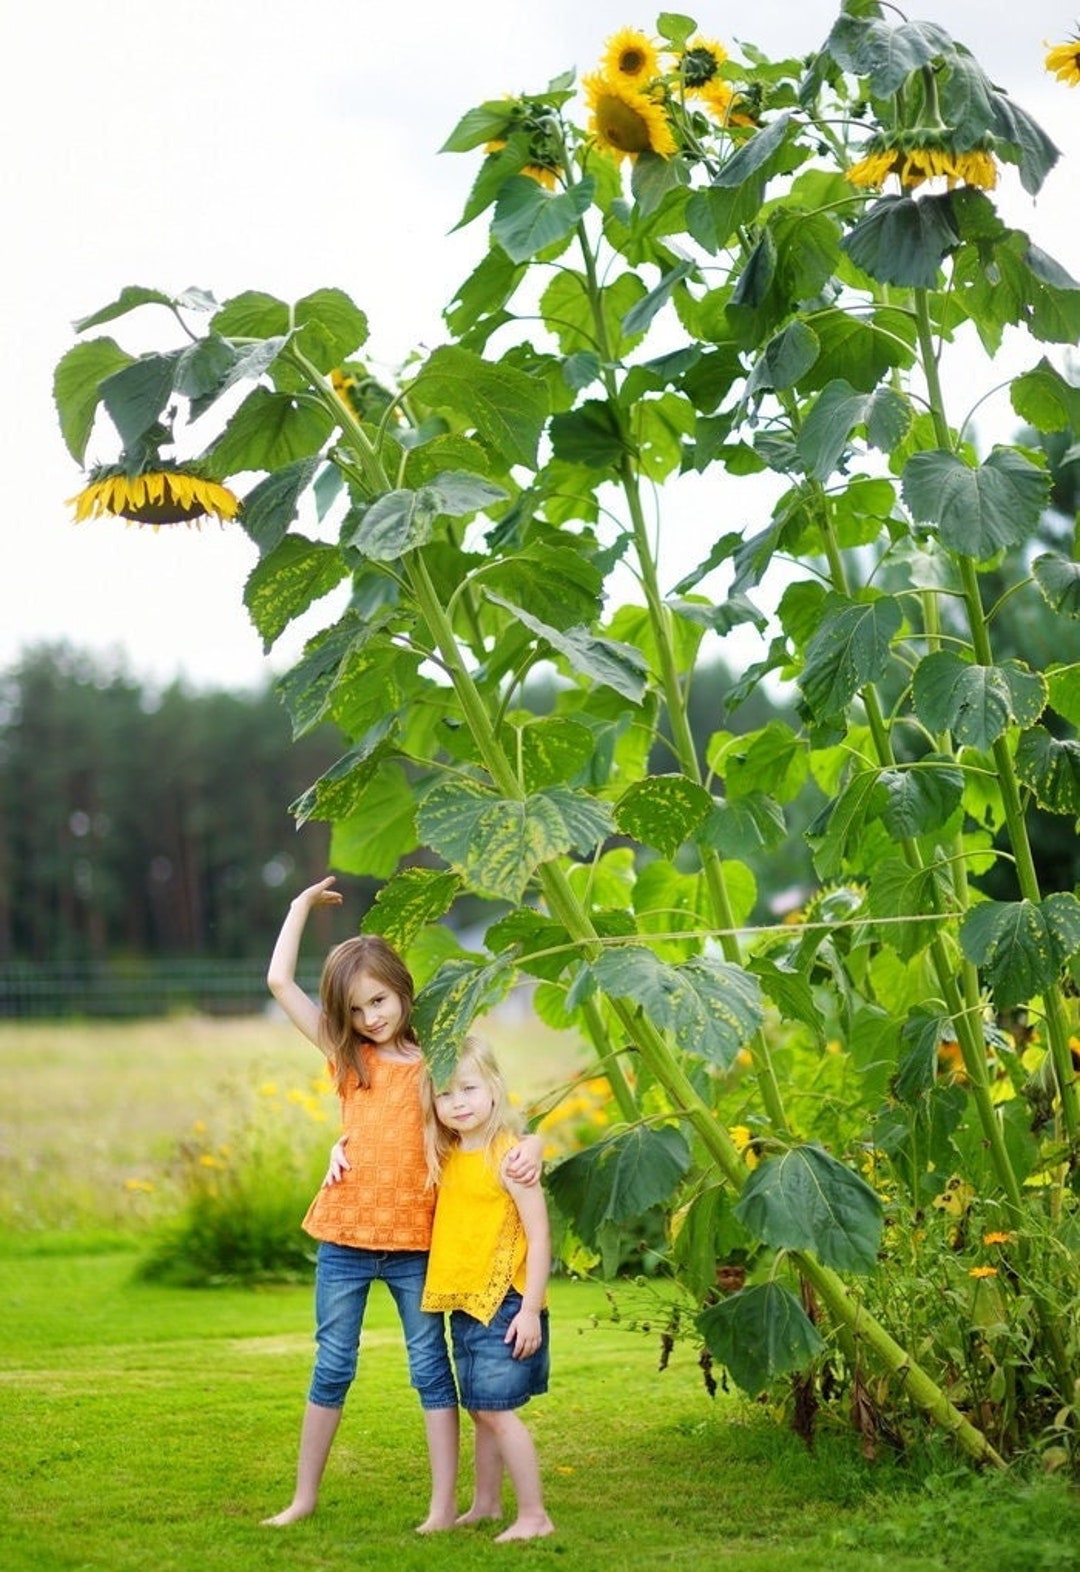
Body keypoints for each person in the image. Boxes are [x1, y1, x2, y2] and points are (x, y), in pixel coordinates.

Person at [261, 875, 542, 1533]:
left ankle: (443, 1510)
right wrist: (299, 908)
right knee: (333, 1363)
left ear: (403, 990)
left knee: (430, 1372)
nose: (371, 1019)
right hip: (346, 1240)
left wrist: (537, 1144)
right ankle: (303, 1498)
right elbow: (280, 984)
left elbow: (493, 1114)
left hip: (418, 1244)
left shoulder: (435, 1062)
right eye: (356, 1011)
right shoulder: (347, 1057)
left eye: (380, 1001)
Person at [421, 1036, 555, 1542]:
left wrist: (529, 1309)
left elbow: (540, 1235)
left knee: (496, 1411)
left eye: (469, 1088)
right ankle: (486, 1503)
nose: (458, 1102)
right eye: (445, 1094)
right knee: (480, 1406)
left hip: (506, 1304)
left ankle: (535, 1515)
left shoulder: (511, 1158)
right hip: (467, 1302)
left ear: (495, 1088)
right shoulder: (449, 1152)